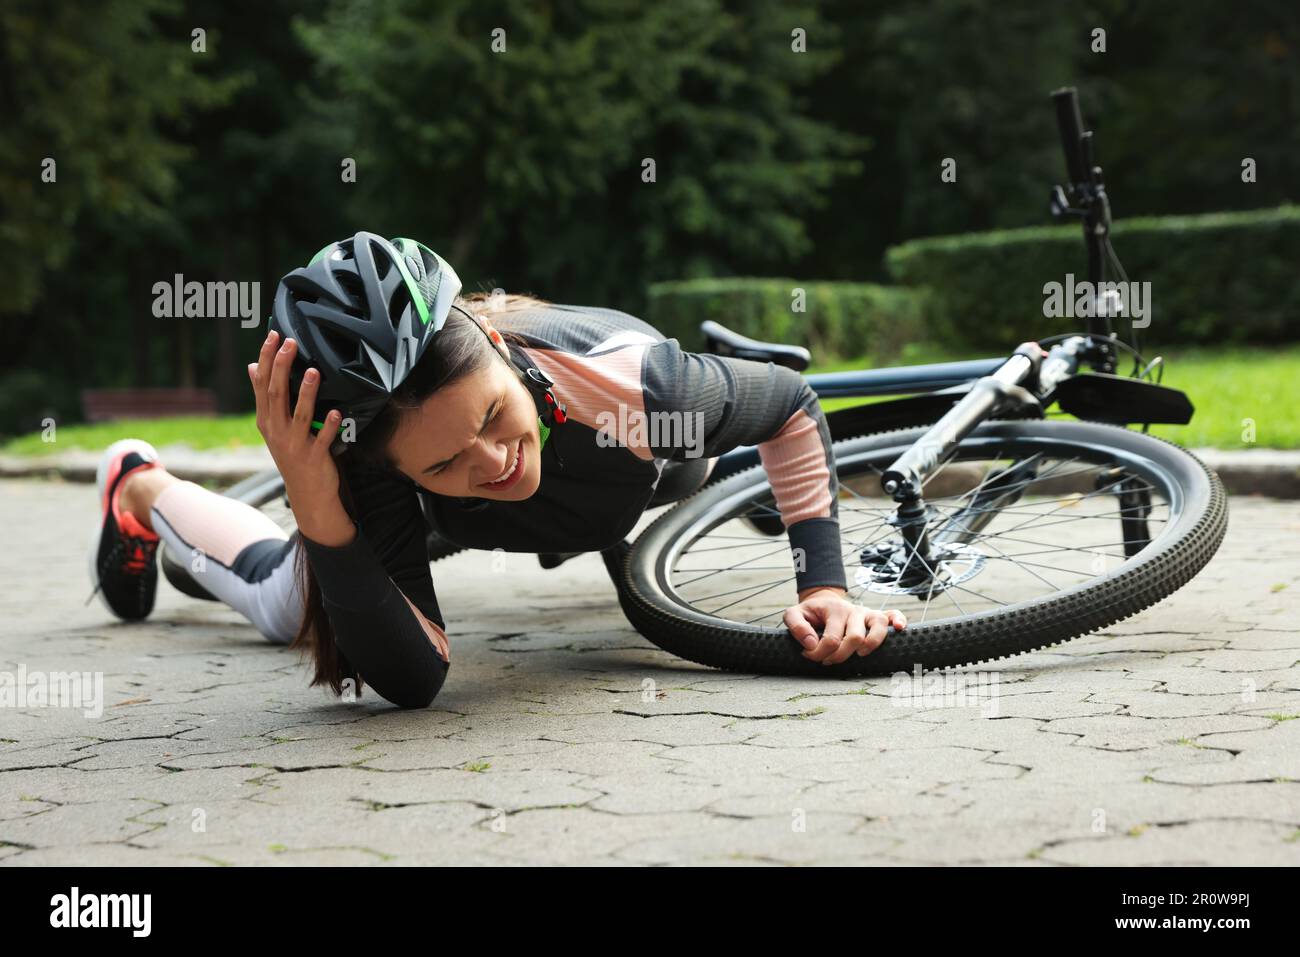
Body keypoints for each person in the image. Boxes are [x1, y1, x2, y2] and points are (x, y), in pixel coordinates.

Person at [87, 231, 906, 708]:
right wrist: (316, 500)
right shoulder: (374, 473)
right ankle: (136, 484)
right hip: (444, 516)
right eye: (444, 459)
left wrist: (823, 586)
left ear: (498, 349)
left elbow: (795, 406)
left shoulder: (638, 385)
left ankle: (728, 369)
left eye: (490, 416)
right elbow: (413, 679)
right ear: (395, 466)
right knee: (280, 599)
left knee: (698, 457)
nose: (496, 462)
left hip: (654, 464)